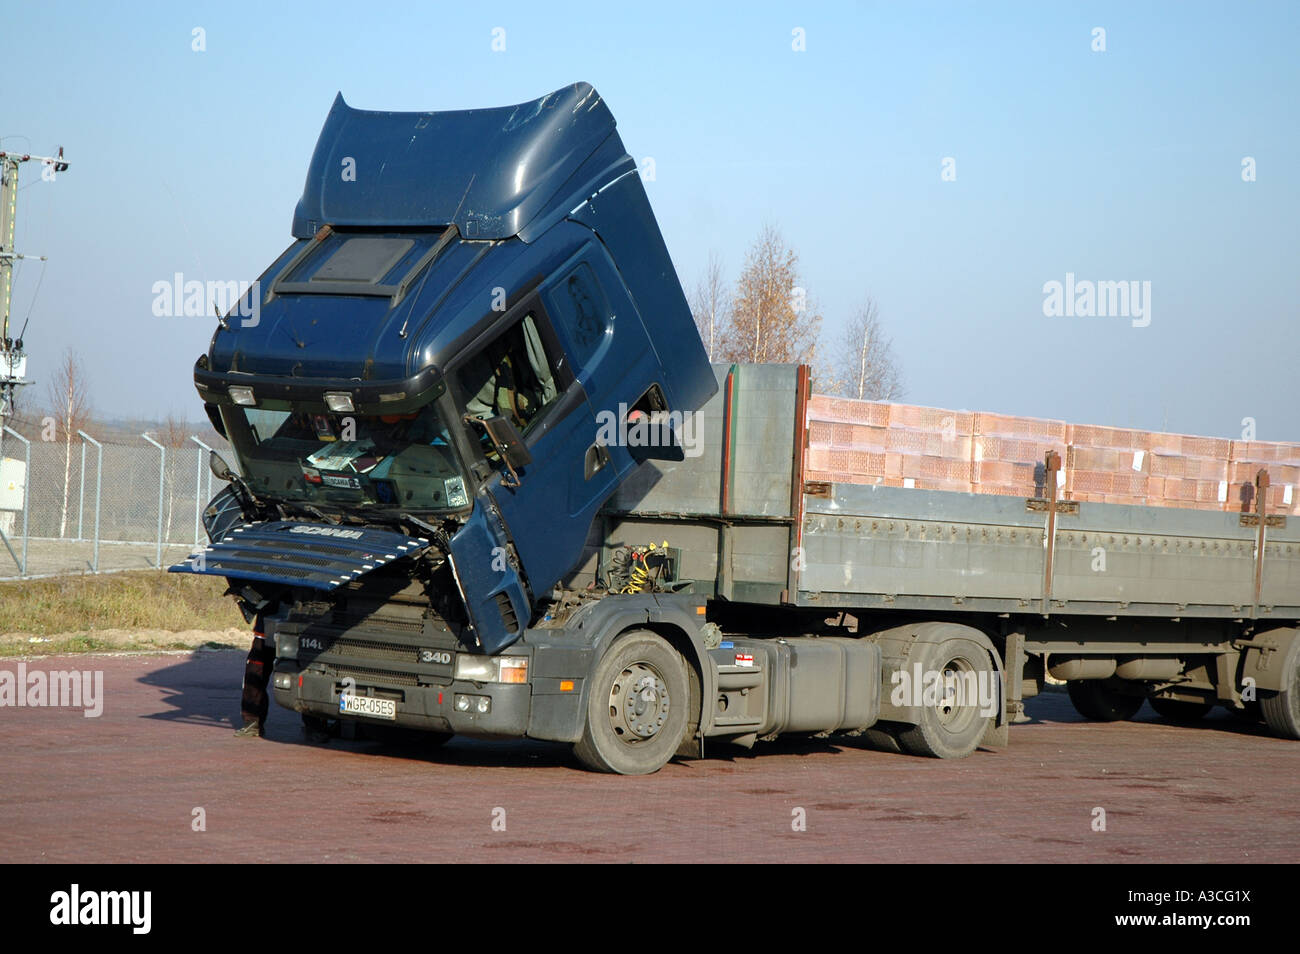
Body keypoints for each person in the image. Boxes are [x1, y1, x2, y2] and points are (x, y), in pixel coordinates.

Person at [234, 619, 274, 738]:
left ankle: (316, 726)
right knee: (254, 675)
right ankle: (252, 723)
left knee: (310, 672)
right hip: (265, 631)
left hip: (300, 626)